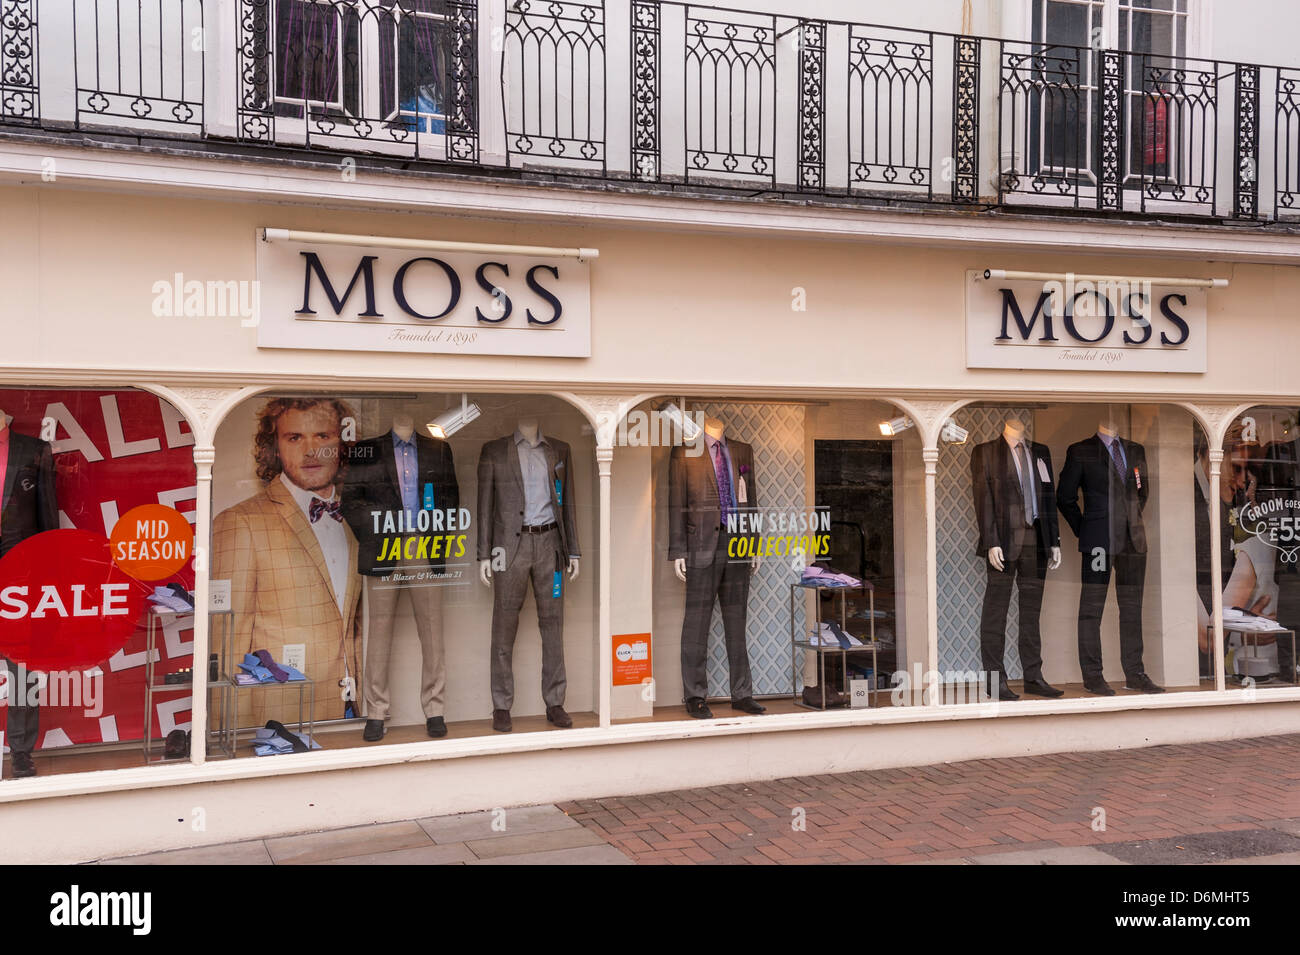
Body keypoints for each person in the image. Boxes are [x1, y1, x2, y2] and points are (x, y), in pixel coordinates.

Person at [213, 397, 363, 728]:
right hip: (281, 715)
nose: (311, 450)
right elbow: (226, 644)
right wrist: (230, 734)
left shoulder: (358, 517)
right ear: (275, 448)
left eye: (323, 436)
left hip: (355, 707)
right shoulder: (241, 522)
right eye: (294, 438)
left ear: (341, 444)